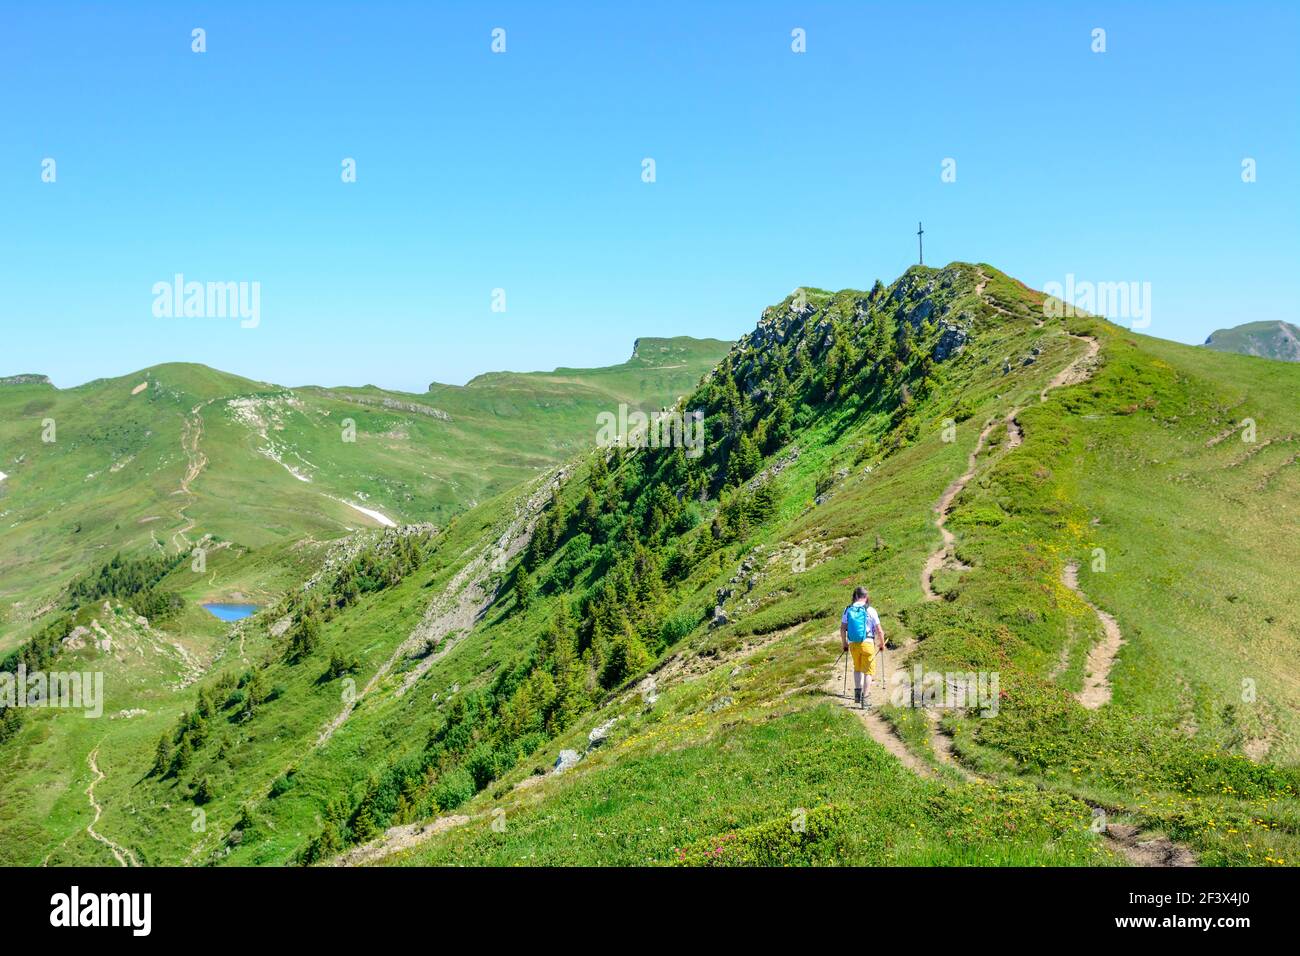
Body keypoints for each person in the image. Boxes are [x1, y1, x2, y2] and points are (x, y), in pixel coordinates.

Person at [840, 586, 885, 707]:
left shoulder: (847, 609)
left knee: (857, 668)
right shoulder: (870, 610)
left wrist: (844, 643)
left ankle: (857, 695)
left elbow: (843, 628)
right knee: (868, 671)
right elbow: (879, 630)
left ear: (855, 596)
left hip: (853, 643)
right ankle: (866, 699)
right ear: (866, 597)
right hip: (868, 643)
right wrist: (882, 643)